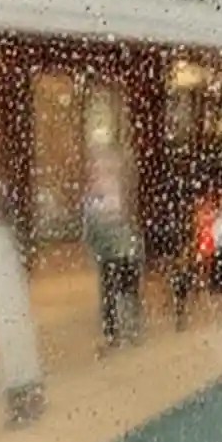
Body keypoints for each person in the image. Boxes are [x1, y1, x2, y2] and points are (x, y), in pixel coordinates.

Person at [84, 144, 144, 347]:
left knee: (127, 289)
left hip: (125, 248)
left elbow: (132, 221)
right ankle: (114, 330)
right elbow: (91, 225)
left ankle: (127, 327)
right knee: (112, 290)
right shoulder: (96, 195)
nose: (104, 172)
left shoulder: (123, 193)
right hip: (110, 250)